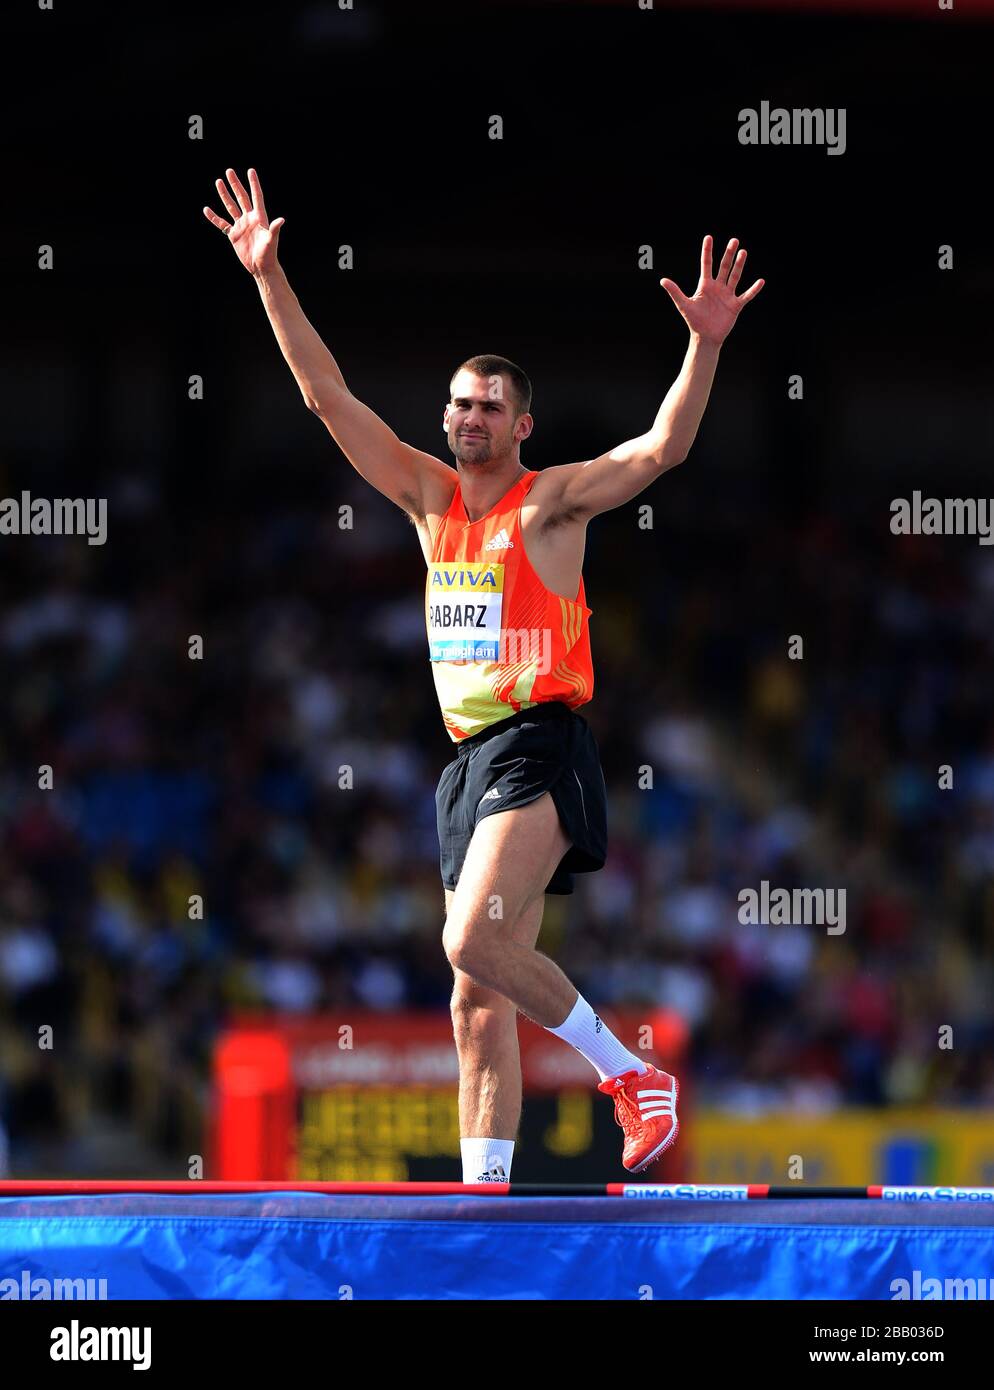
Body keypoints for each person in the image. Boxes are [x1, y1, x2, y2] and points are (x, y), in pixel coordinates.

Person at [204, 168, 764, 1179]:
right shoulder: (427, 501)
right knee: (475, 994)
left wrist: (704, 343)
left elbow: (663, 447)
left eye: (488, 405)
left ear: (520, 428)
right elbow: (324, 396)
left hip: (539, 744)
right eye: (458, 401)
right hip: (465, 766)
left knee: (470, 938)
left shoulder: (549, 504)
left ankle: (631, 1075)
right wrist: (268, 275)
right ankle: (486, 1201)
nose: (467, 416)